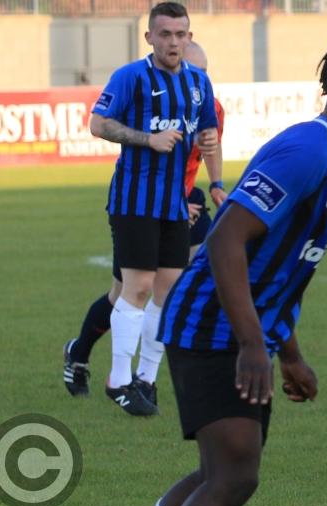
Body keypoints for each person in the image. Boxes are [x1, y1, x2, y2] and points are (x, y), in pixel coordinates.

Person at [150, 32, 327, 506]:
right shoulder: (308, 150)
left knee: (222, 471)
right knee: (234, 476)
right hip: (213, 326)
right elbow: (226, 239)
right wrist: (250, 343)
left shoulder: (326, 157)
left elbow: (281, 273)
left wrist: (288, 353)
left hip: (230, 328)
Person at [62, 40, 227, 407]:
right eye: (190, 69)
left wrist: (215, 185)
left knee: (171, 288)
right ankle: (80, 352)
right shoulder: (145, 88)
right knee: (125, 293)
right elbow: (106, 125)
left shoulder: (207, 102)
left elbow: (210, 146)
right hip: (147, 201)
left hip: (185, 200)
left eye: (201, 73)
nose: (195, 78)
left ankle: (145, 378)